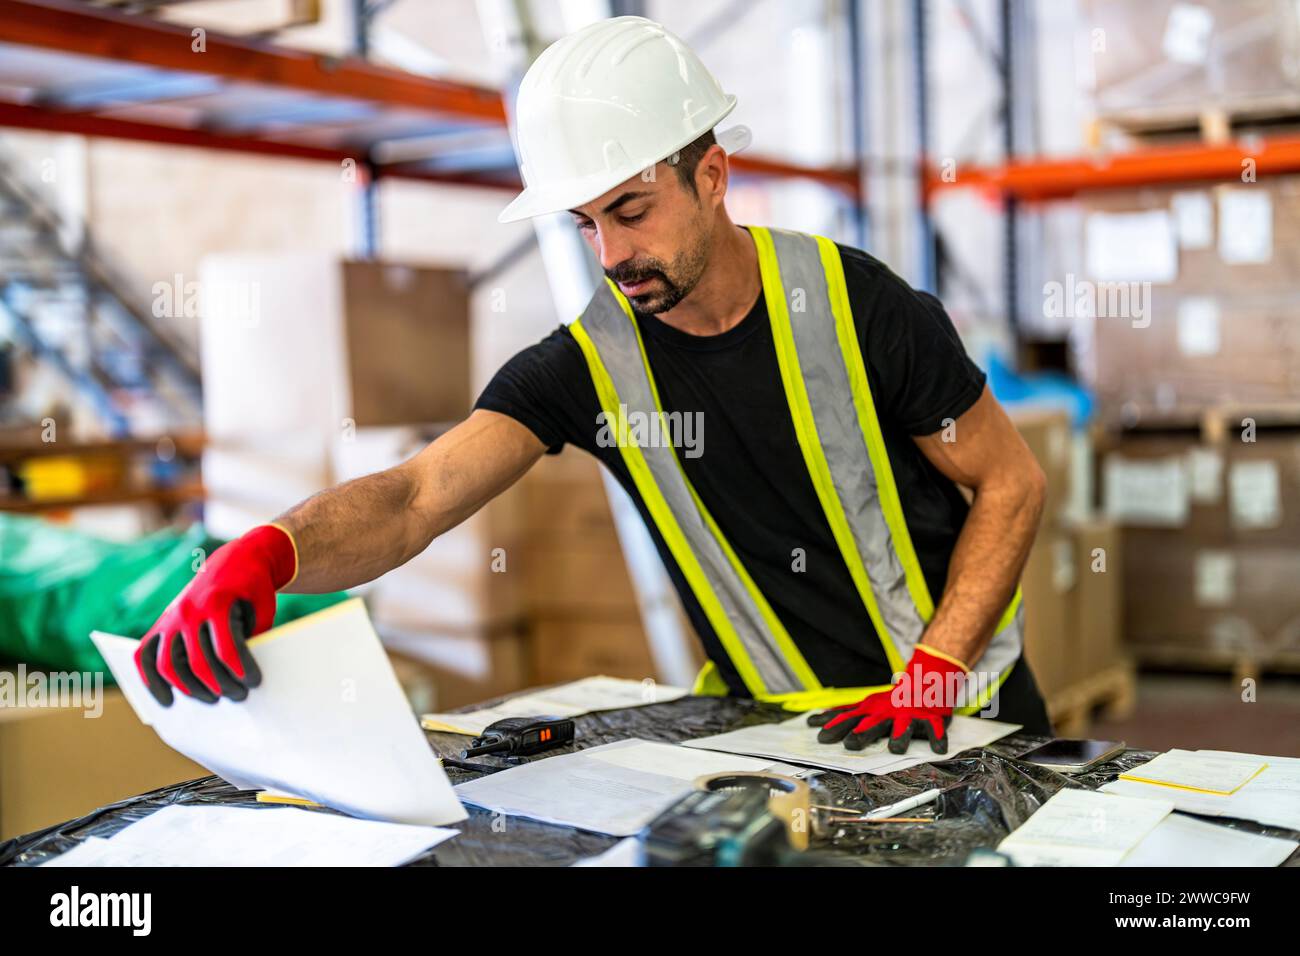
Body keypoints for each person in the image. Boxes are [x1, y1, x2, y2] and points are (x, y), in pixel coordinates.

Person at [135, 16, 1051, 753]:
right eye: (586, 223)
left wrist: (934, 672)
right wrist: (269, 551)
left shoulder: (861, 306)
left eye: (632, 211)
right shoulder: (589, 367)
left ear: (713, 177)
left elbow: (1010, 482)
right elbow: (417, 496)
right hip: (784, 735)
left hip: (963, 716)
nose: (612, 256)